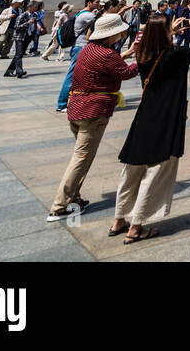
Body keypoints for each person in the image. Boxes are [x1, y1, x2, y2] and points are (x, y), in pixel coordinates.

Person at [107, 15, 190, 243]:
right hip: (167, 120)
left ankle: (119, 220)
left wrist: (168, 31)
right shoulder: (178, 54)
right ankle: (136, 227)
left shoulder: (143, 53)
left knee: (132, 170)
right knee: (155, 173)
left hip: (144, 117)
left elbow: (156, 42)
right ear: (166, 33)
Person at [48, 12, 138, 222]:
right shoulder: (107, 54)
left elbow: (110, 66)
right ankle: (59, 206)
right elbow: (125, 73)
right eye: (120, 32)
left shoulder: (90, 49)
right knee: (81, 159)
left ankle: (74, 198)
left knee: (82, 157)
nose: (122, 35)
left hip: (77, 109)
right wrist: (143, 59)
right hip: (93, 113)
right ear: (112, 34)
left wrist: (127, 54)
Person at [56, 0, 101, 111]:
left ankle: (76, 101)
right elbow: (101, 22)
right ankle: (61, 105)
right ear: (89, 3)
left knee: (79, 76)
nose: (98, 4)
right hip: (80, 48)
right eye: (96, 2)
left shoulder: (81, 13)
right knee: (71, 76)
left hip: (78, 47)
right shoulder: (88, 15)